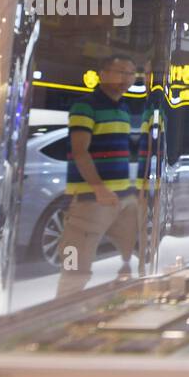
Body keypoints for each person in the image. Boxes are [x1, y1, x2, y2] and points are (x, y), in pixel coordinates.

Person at [56, 53, 142, 296]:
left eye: (131, 74)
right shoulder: (86, 105)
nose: (127, 79)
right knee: (76, 267)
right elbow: (79, 151)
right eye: (121, 72)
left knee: (133, 259)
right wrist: (98, 188)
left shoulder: (123, 108)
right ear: (103, 74)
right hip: (91, 199)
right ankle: (60, 318)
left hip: (123, 198)